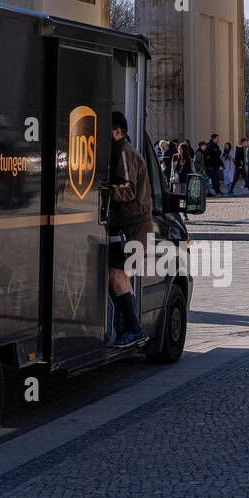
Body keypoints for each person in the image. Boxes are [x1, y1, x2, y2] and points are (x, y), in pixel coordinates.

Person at [106, 111, 150, 347]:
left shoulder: (124, 153)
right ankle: (129, 328)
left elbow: (128, 189)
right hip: (132, 227)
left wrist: (103, 191)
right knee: (119, 277)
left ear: (117, 131)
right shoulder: (125, 151)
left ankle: (134, 329)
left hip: (131, 227)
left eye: (107, 130)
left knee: (117, 276)